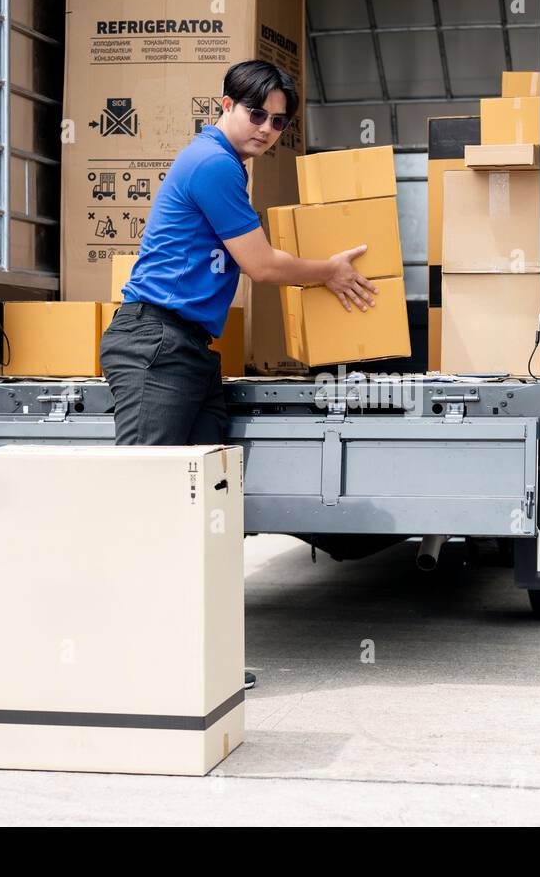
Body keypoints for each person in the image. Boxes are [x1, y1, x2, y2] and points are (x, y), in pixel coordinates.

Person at [100, 59, 378, 692]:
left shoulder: (226, 165)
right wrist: (329, 272)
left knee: (201, 506)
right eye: (257, 114)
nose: (268, 129)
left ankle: (194, 661)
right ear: (224, 105)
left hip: (189, 349)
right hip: (154, 345)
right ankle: (126, 661)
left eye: (279, 122)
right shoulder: (213, 164)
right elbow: (259, 264)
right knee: (146, 504)